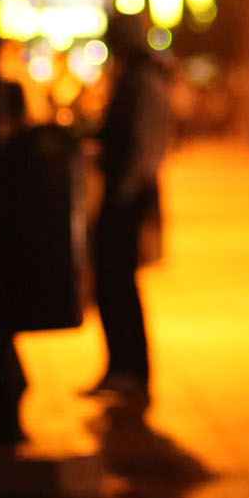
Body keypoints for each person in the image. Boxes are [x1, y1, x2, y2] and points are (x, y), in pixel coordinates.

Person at [85, 36, 176, 401]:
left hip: (127, 195)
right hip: (126, 191)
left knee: (118, 282)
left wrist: (126, 189)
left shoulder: (141, 84)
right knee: (114, 283)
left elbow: (145, 144)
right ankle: (122, 366)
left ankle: (130, 368)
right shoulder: (141, 81)